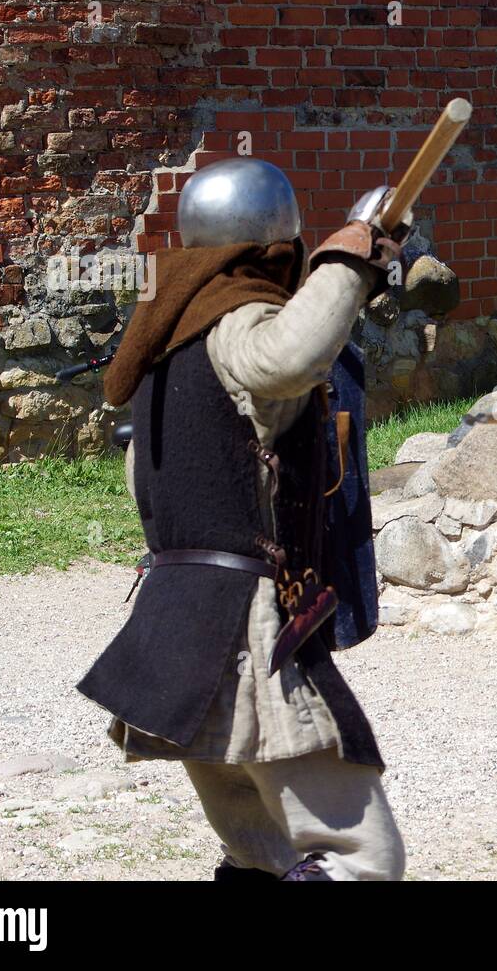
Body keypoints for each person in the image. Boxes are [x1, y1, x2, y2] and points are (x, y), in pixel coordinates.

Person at [77, 158, 411, 880]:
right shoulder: (237, 323)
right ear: (279, 246)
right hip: (245, 631)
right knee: (363, 858)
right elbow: (288, 356)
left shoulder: (164, 349)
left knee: (259, 855)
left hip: (178, 634)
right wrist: (353, 253)